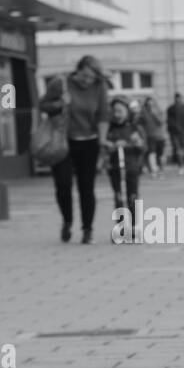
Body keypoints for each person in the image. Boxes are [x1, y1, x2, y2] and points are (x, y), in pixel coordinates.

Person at [38, 55, 111, 243]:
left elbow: (103, 114)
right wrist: (61, 103)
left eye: (91, 78)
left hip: (89, 142)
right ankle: (67, 220)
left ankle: (87, 230)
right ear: (77, 70)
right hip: (62, 141)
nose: (87, 81)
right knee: (63, 185)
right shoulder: (60, 83)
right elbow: (43, 105)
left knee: (86, 188)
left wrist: (102, 140)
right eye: (84, 76)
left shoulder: (99, 86)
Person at [102, 97, 147, 243]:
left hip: (131, 168)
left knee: (132, 197)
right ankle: (120, 228)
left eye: (120, 111)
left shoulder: (134, 128)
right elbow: (103, 146)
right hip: (116, 168)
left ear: (127, 111)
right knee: (118, 197)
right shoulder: (109, 129)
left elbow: (142, 148)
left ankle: (134, 228)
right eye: (115, 111)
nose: (117, 114)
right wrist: (111, 146)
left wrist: (135, 143)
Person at [166, 92, 184, 176]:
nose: (178, 100)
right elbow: (169, 121)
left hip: (183, 132)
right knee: (178, 150)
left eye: (179, 98)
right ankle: (180, 166)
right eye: (176, 98)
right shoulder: (171, 109)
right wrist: (175, 128)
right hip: (174, 133)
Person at [139, 96, 166, 177]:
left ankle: (160, 169)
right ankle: (153, 170)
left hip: (160, 136)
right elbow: (140, 124)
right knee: (151, 153)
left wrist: (154, 113)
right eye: (148, 104)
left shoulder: (158, 111)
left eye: (152, 103)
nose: (150, 105)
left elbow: (161, 122)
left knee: (160, 155)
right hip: (149, 136)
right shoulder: (143, 112)